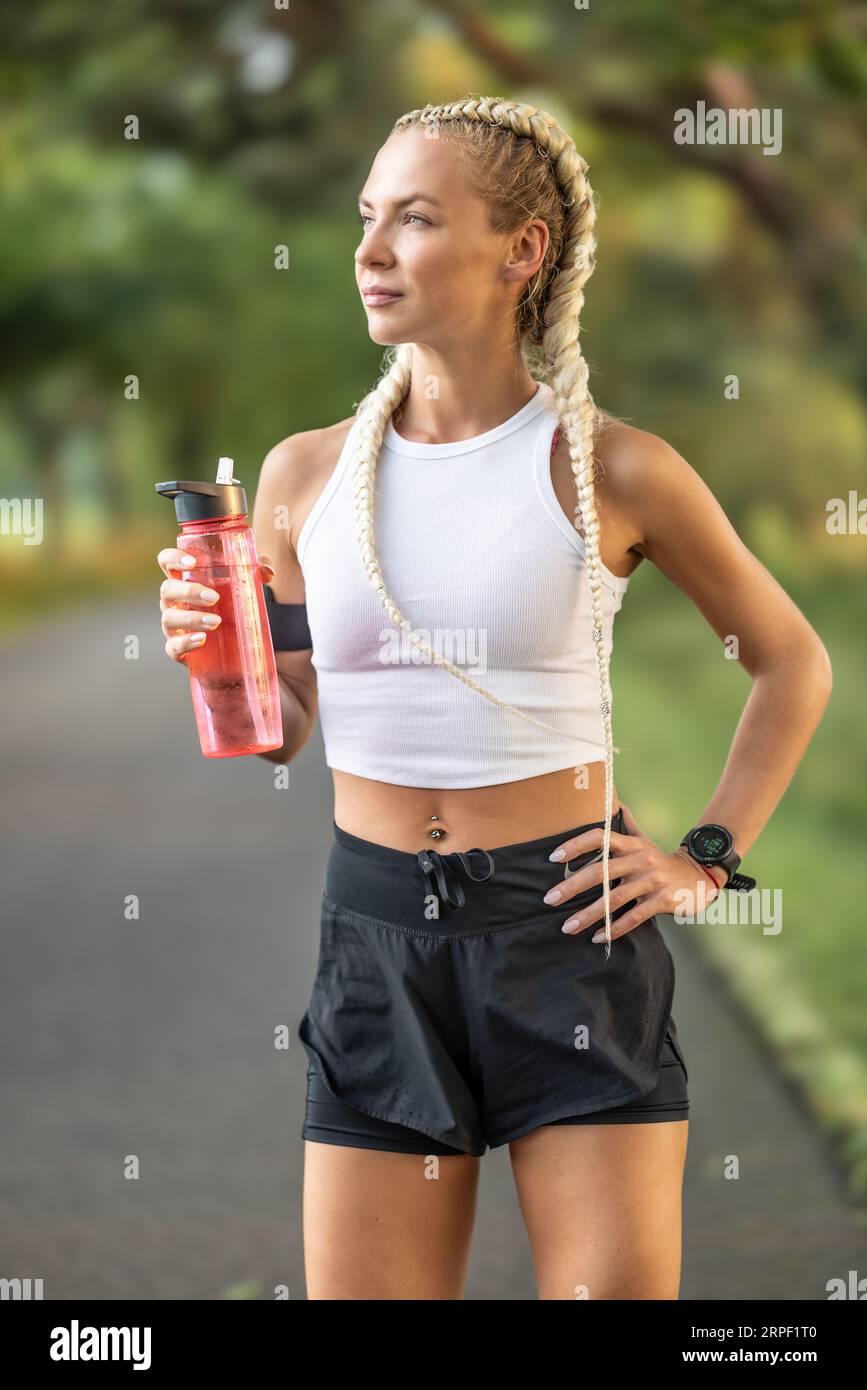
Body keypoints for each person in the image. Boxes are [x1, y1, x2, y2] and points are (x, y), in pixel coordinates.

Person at [157, 96, 832, 1300]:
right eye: (367, 217)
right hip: (373, 943)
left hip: (567, 937)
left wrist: (709, 856)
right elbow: (286, 724)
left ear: (521, 251)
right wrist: (220, 657)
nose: (369, 251)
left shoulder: (609, 468)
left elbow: (791, 660)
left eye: (413, 219)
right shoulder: (302, 475)